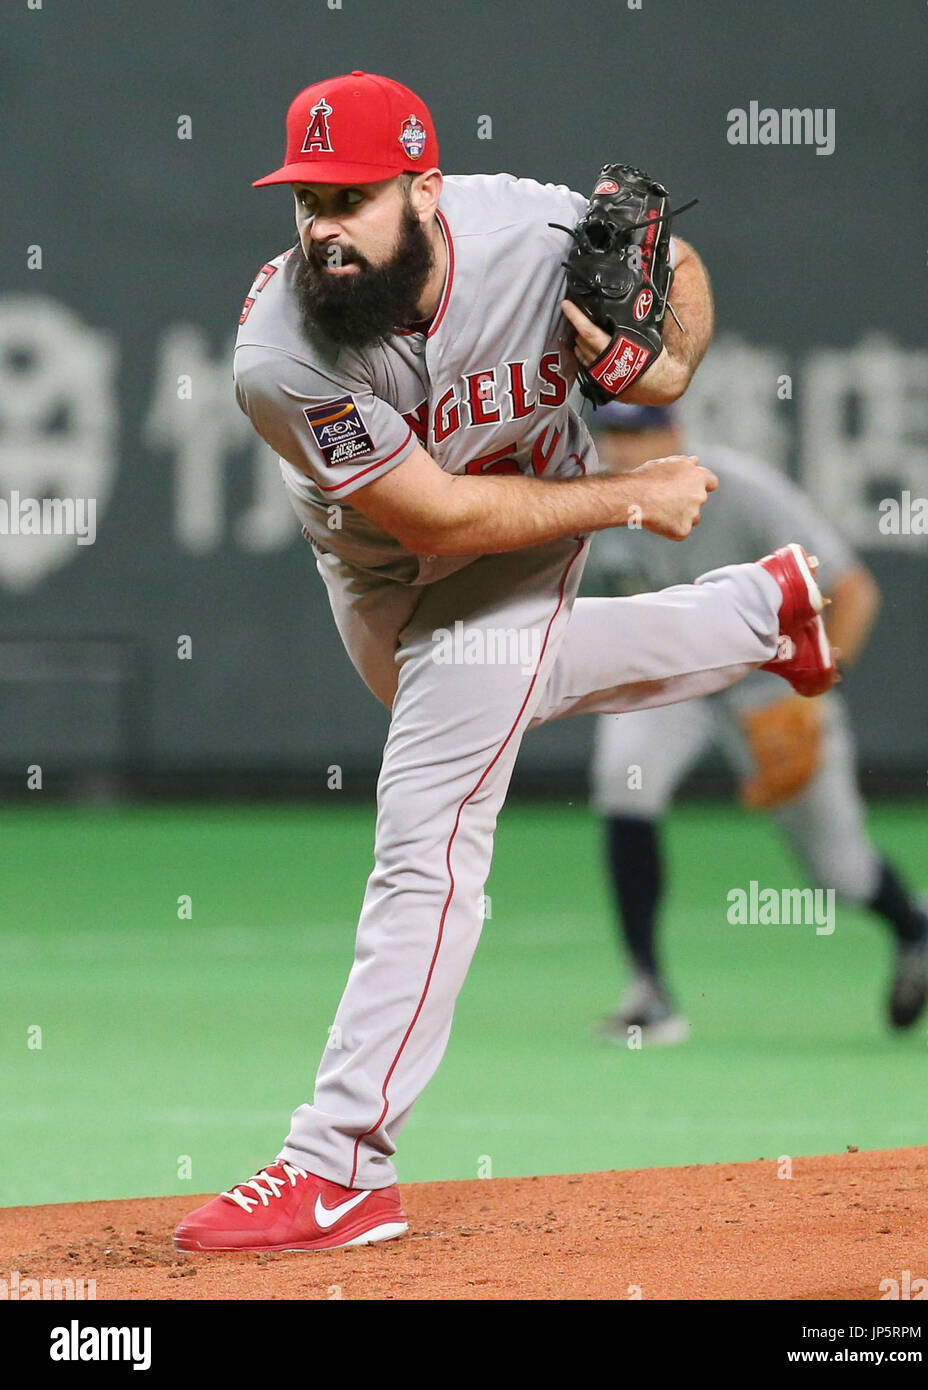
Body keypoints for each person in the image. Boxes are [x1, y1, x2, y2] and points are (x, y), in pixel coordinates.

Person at [174, 71, 837, 1254]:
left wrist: (670, 368)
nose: (323, 224)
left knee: (429, 815)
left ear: (424, 190)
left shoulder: (527, 235)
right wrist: (630, 494)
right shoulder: (280, 350)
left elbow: (674, 270)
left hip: (523, 528)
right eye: (306, 198)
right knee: (495, 687)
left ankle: (339, 1166)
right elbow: (429, 519)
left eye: (353, 195)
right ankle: (762, 614)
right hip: (382, 565)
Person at [585, 402, 928, 1046]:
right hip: (671, 684)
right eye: (610, 432)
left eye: (636, 433)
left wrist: (811, 695)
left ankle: (913, 924)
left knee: (840, 871)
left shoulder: (740, 491)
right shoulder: (593, 498)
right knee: (623, 780)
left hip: (768, 685)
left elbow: (855, 593)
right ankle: (649, 989)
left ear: (676, 436)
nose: (619, 448)